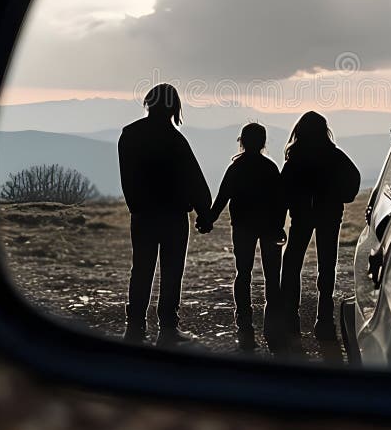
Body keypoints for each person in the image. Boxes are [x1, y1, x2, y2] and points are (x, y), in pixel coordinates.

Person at [118, 83, 211, 347]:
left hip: (143, 215)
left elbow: (128, 178)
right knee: (172, 270)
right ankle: (168, 326)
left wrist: (136, 206)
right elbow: (194, 179)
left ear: (149, 103)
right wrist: (205, 212)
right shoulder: (175, 140)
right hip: (173, 216)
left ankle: (135, 325)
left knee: (142, 268)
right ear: (174, 107)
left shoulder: (130, 134)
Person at [198, 123, 286, 351]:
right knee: (271, 274)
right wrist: (279, 226)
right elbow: (280, 201)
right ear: (263, 142)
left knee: (243, 272)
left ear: (242, 141)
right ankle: (273, 319)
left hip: (243, 227)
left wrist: (208, 219)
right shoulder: (270, 168)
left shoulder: (236, 168)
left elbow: (222, 198)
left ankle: (244, 320)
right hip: (269, 228)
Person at [279, 111, 360, 342]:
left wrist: (278, 221)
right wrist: (342, 196)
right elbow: (353, 178)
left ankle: (290, 313)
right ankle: (324, 314)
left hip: (301, 217)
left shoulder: (295, 159)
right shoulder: (334, 156)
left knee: (292, 262)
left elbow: (283, 192)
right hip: (329, 215)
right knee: (327, 263)